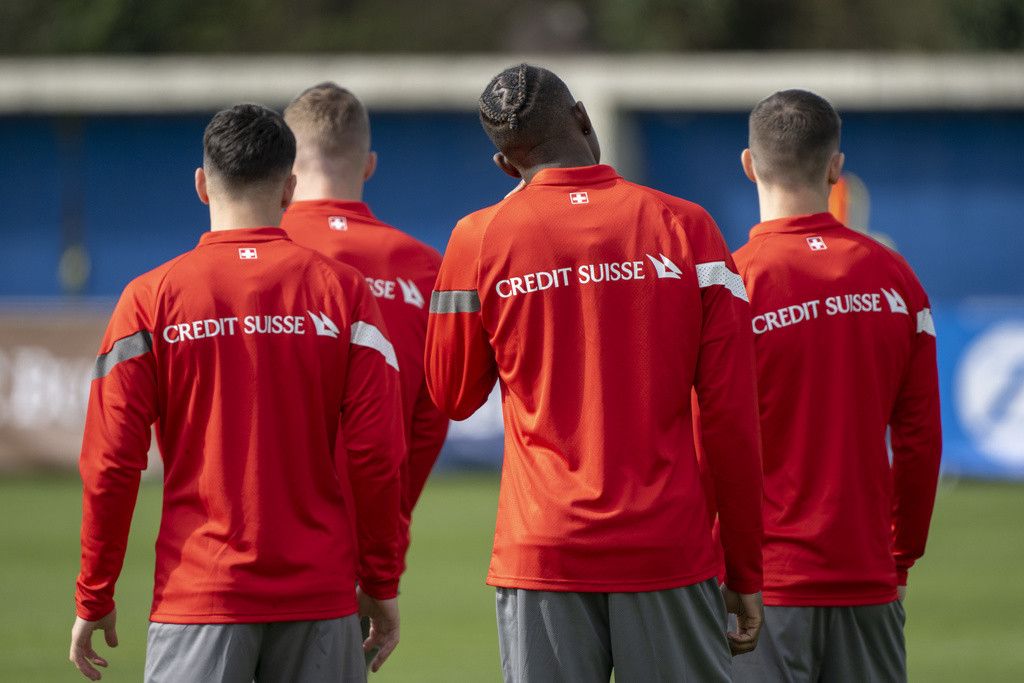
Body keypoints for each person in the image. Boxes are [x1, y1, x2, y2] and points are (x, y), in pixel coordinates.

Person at [424, 63, 765, 682]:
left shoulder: (476, 237)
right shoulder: (688, 227)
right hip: (668, 550)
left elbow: (450, 394)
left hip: (541, 550)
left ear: (505, 166)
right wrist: (744, 569)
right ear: (582, 118)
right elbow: (731, 417)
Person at [68, 104, 406, 682]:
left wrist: (94, 593)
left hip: (198, 594)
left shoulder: (148, 300)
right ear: (290, 188)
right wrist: (379, 580)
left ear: (201, 185)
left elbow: (111, 464)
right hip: (320, 597)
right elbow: (378, 454)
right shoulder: (343, 294)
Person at [731, 89, 942, 682]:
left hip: (765, 585)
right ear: (835, 167)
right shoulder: (896, 277)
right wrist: (902, 557)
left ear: (749, 165)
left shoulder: (732, 284)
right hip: (869, 578)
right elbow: (921, 438)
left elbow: (706, 440)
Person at [280, 83, 449, 574]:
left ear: (285, 165)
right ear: (369, 164)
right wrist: (388, 531)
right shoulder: (425, 267)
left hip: (237, 544)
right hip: (357, 551)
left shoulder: (250, 254)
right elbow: (429, 418)